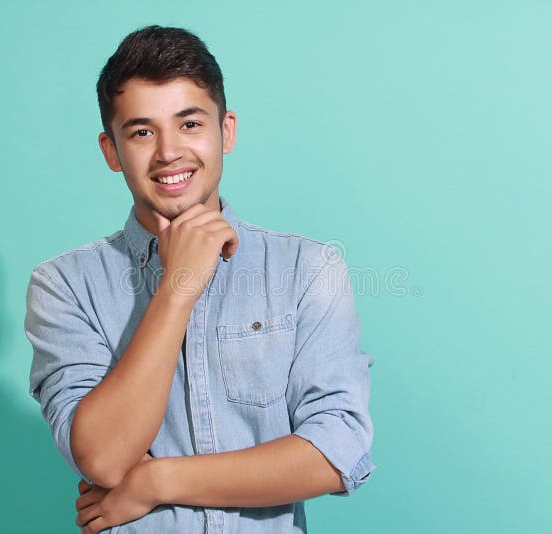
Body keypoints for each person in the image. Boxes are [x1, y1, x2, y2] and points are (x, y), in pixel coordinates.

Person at [25, 24, 375, 534]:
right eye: (142, 131)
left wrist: (155, 482)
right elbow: (102, 457)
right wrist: (179, 286)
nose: (169, 152)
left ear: (225, 131)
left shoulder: (307, 269)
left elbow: (335, 451)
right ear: (111, 150)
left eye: (190, 124)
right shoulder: (64, 285)